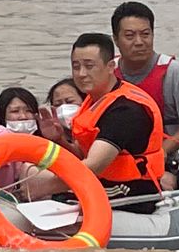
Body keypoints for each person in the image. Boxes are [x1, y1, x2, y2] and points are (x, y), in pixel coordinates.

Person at [27, 33, 164, 210]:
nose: (81, 74)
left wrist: (45, 186)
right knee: (28, 169)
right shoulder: (92, 101)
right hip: (101, 183)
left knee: (51, 191)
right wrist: (60, 140)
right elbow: (83, 154)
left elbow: (93, 166)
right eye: (76, 67)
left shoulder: (126, 110)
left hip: (129, 193)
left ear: (111, 66)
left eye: (89, 66)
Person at [106, 1, 179, 189]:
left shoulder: (172, 72)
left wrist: (162, 151)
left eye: (145, 34)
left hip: (163, 165)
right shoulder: (107, 72)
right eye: (129, 36)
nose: (139, 42)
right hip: (113, 163)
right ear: (116, 39)